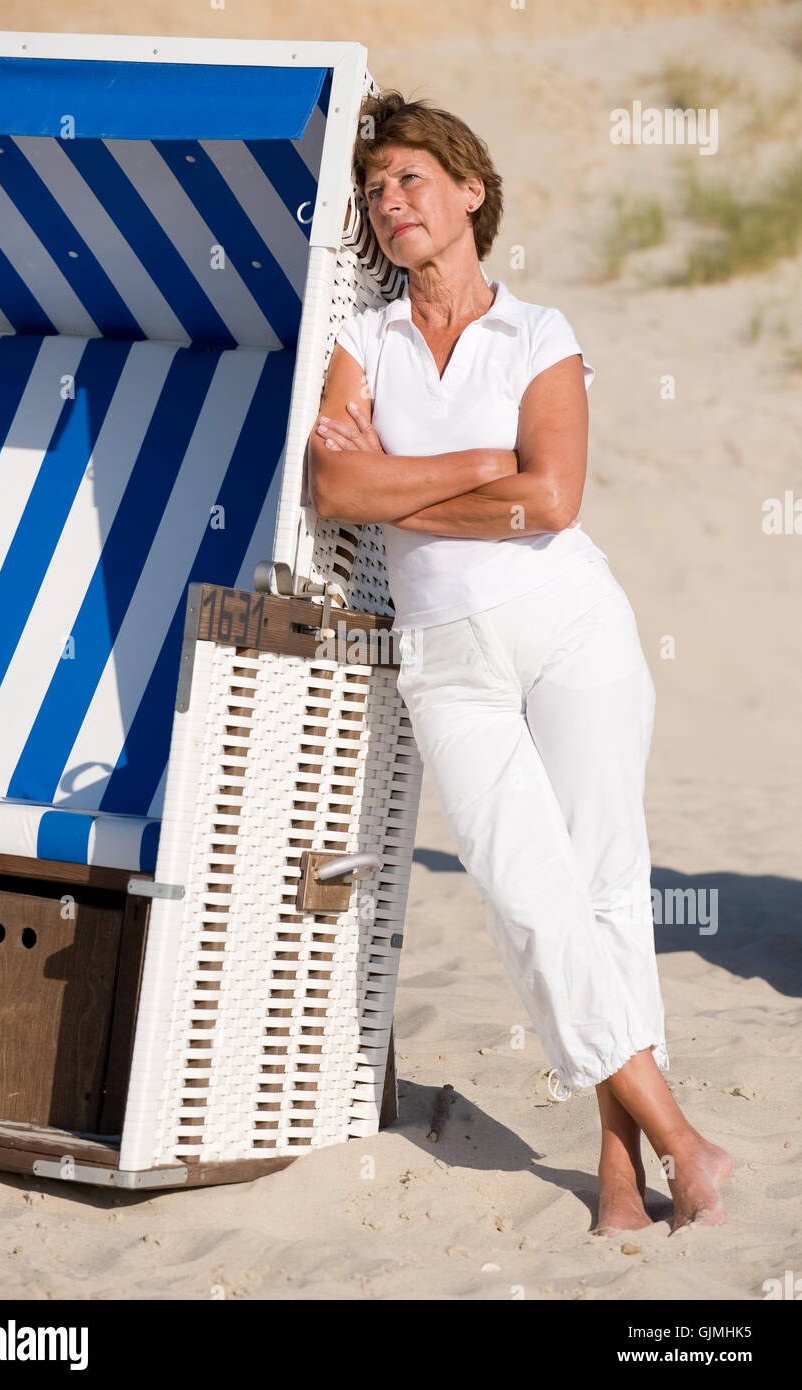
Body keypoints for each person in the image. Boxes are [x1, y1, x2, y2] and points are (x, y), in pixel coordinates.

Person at [306, 90, 731, 1235]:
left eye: (411, 179)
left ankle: (614, 1165)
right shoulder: (363, 342)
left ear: (468, 191)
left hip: (570, 626)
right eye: (375, 187)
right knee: (523, 897)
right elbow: (334, 487)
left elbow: (553, 497)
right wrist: (479, 464)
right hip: (443, 652)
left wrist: (414, 477)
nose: (392, 201)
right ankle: (684, 1137)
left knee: (600, 890)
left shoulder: (539, 332)